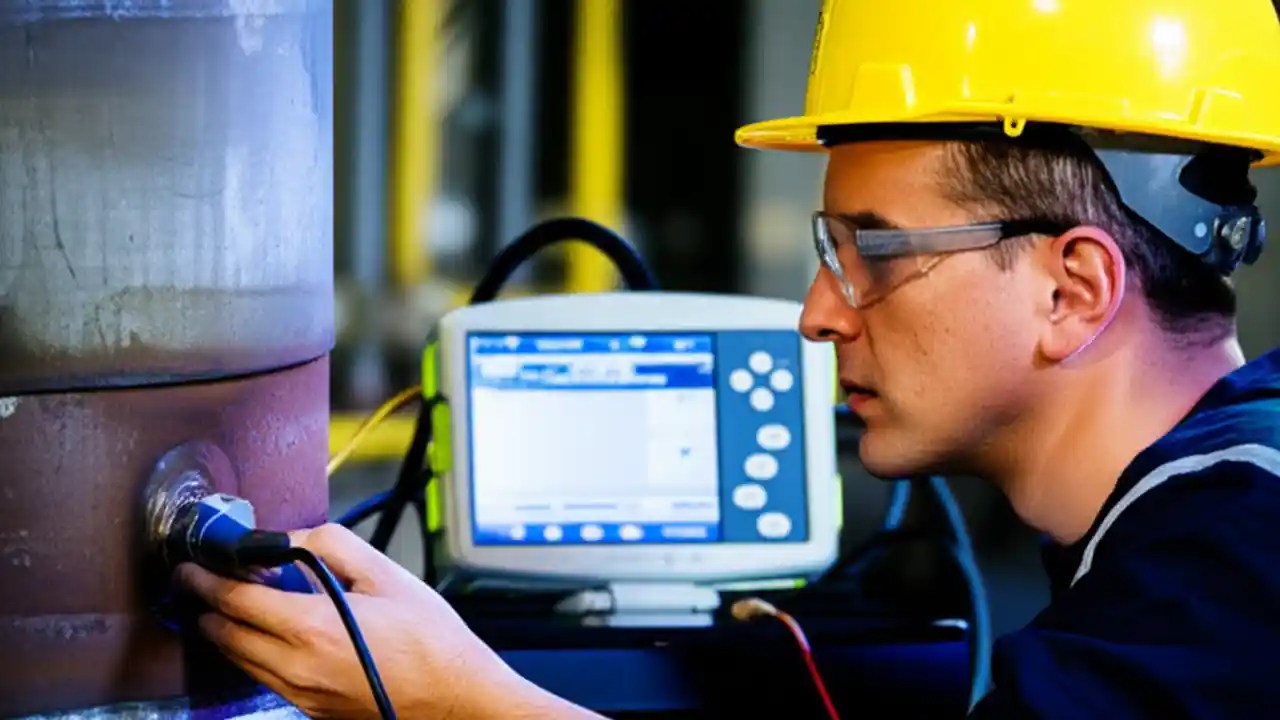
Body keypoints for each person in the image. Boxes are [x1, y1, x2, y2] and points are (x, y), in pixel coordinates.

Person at [177, 0, 1280, 717]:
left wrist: (455, 700)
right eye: (824, 253)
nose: (818, 316)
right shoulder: (1205, 526)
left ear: (1070, 290)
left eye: (870, 254)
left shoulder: (1234, 566)